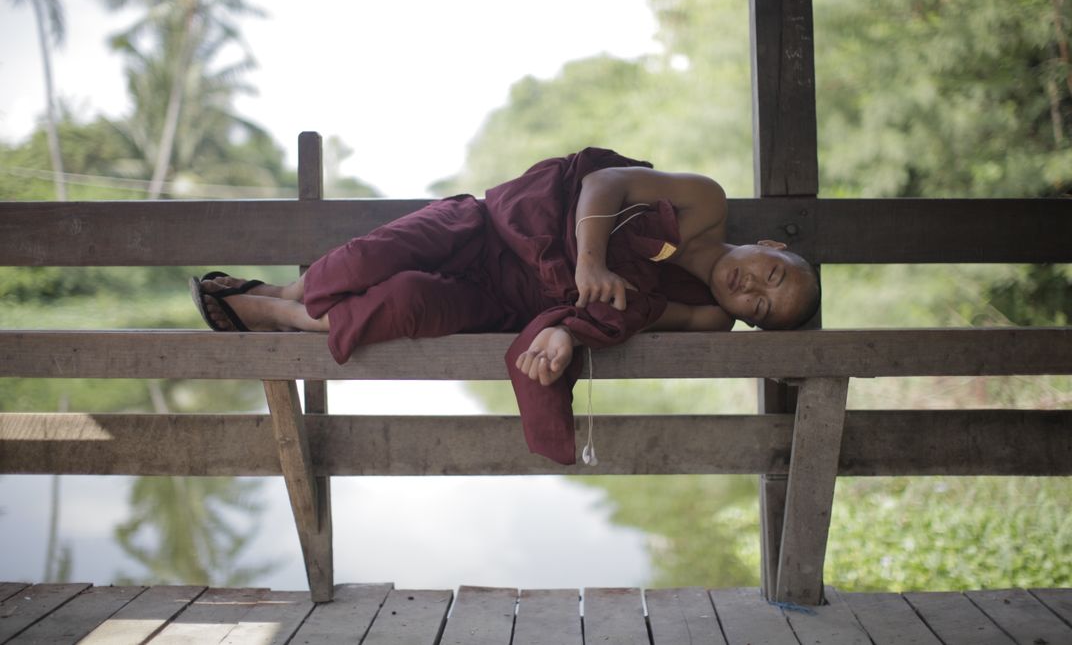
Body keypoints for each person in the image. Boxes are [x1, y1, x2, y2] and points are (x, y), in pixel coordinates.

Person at [191, 148, 819, 463]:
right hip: (496, 229)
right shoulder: (705, 203)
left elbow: (627, 318)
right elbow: (606, 182)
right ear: (769, 246)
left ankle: (272, 311)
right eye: (770, 275)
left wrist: (570, 332)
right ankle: (281, 296)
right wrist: (590, 261)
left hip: (503, 302)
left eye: (760, 309)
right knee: (374, 257)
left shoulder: (707, 313)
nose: (751, 292)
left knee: (403, 305)